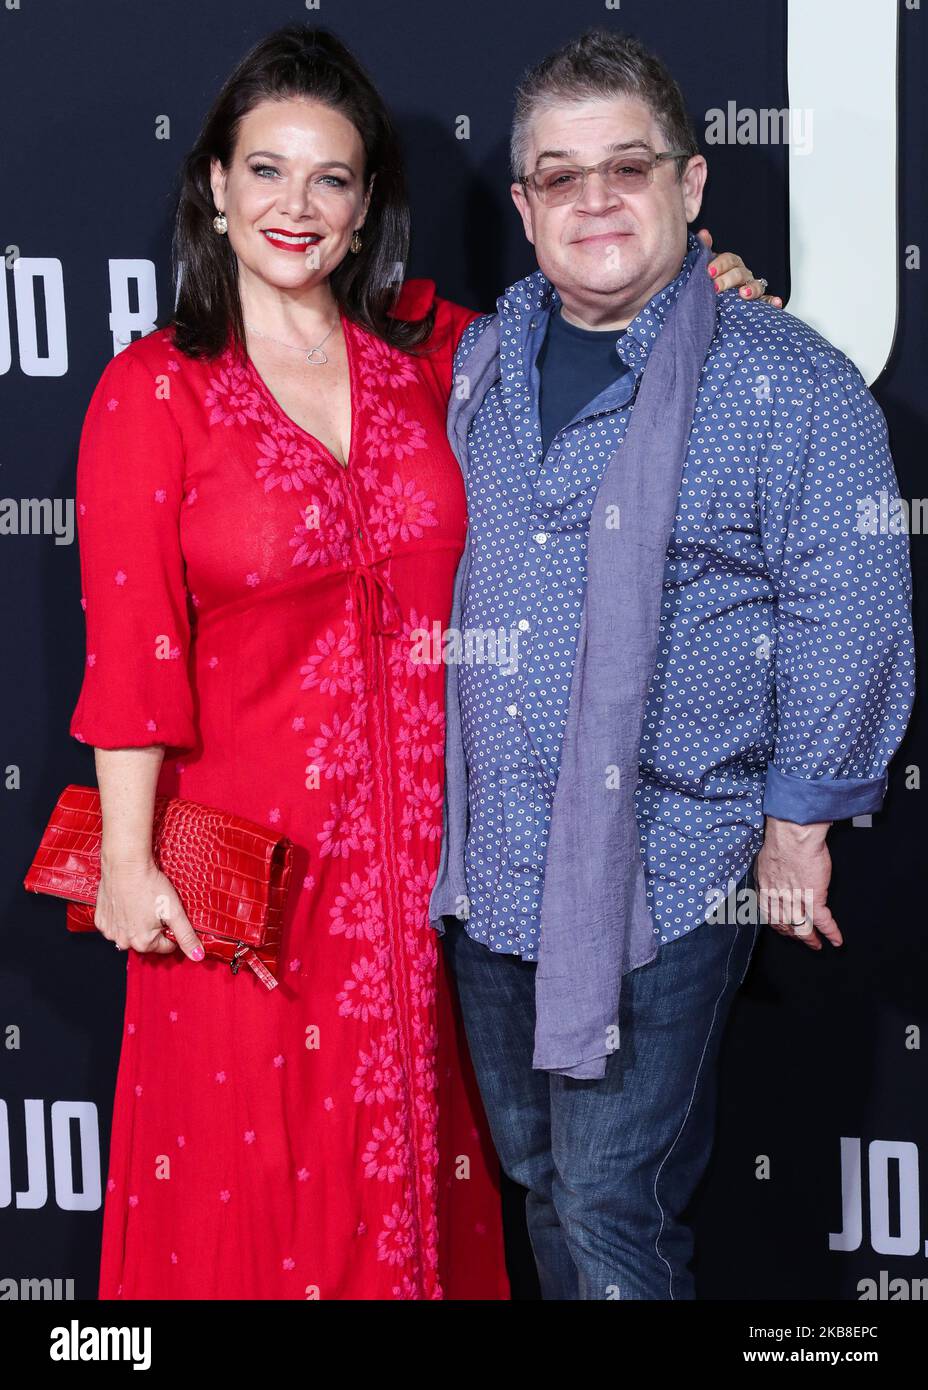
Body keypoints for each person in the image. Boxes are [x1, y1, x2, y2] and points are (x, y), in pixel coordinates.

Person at [70, 23, 767, 1300]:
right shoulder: (150, 392)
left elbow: (598, 302)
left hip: (428, 890)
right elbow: (132, 655)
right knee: (249, 1198)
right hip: (246, 892)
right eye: (266, 171)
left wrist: (708, 300)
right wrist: (124, 862)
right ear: (214, 188)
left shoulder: (433, 355)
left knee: (421, 1197)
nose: (297, 205)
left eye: (330, 178)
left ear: (365, 203)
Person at [430, 28, 915, 1299]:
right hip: (488, 871)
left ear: (688, 188)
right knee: (541, 1183)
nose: (595, 197)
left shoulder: (785, 382)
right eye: (560, 173)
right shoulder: (473, 364)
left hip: (660, 870)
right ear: (525, 205)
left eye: (627, 166)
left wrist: (797, 826)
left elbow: (847, 605)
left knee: (608, 1205)